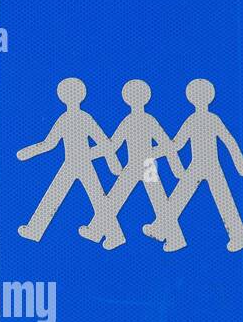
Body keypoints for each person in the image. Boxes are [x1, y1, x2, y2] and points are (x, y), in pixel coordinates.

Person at [147, 79, 243, 252]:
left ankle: (239, 238)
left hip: (209, 165)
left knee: (220, 200)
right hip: (199, 165)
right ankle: (160, 227)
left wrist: (241, 165)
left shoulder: (204, 119)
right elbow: (178, 144)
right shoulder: (197, 120)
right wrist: (154, 152)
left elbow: (227, 140)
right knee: (180, 197)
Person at [79, 79, 184, 249]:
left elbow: (114, 145)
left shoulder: (138, 120)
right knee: (119, 199)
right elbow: (114, 145)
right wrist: (91, 153)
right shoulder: (138, 120)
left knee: (121, 199)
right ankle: (98, 231)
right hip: (140, 164)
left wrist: (90, 153)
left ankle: (98, 231)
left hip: (141, 164)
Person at [17, 78, 122, 242]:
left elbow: (102, 141)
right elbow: (49, 143)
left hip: (80, 163)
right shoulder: (69, 118)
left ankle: (34, 230)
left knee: (89, 199)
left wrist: (111, 161)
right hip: (74, 163)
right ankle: (115, 236)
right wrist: (29, 152)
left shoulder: (78, 118)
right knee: (96, 200)